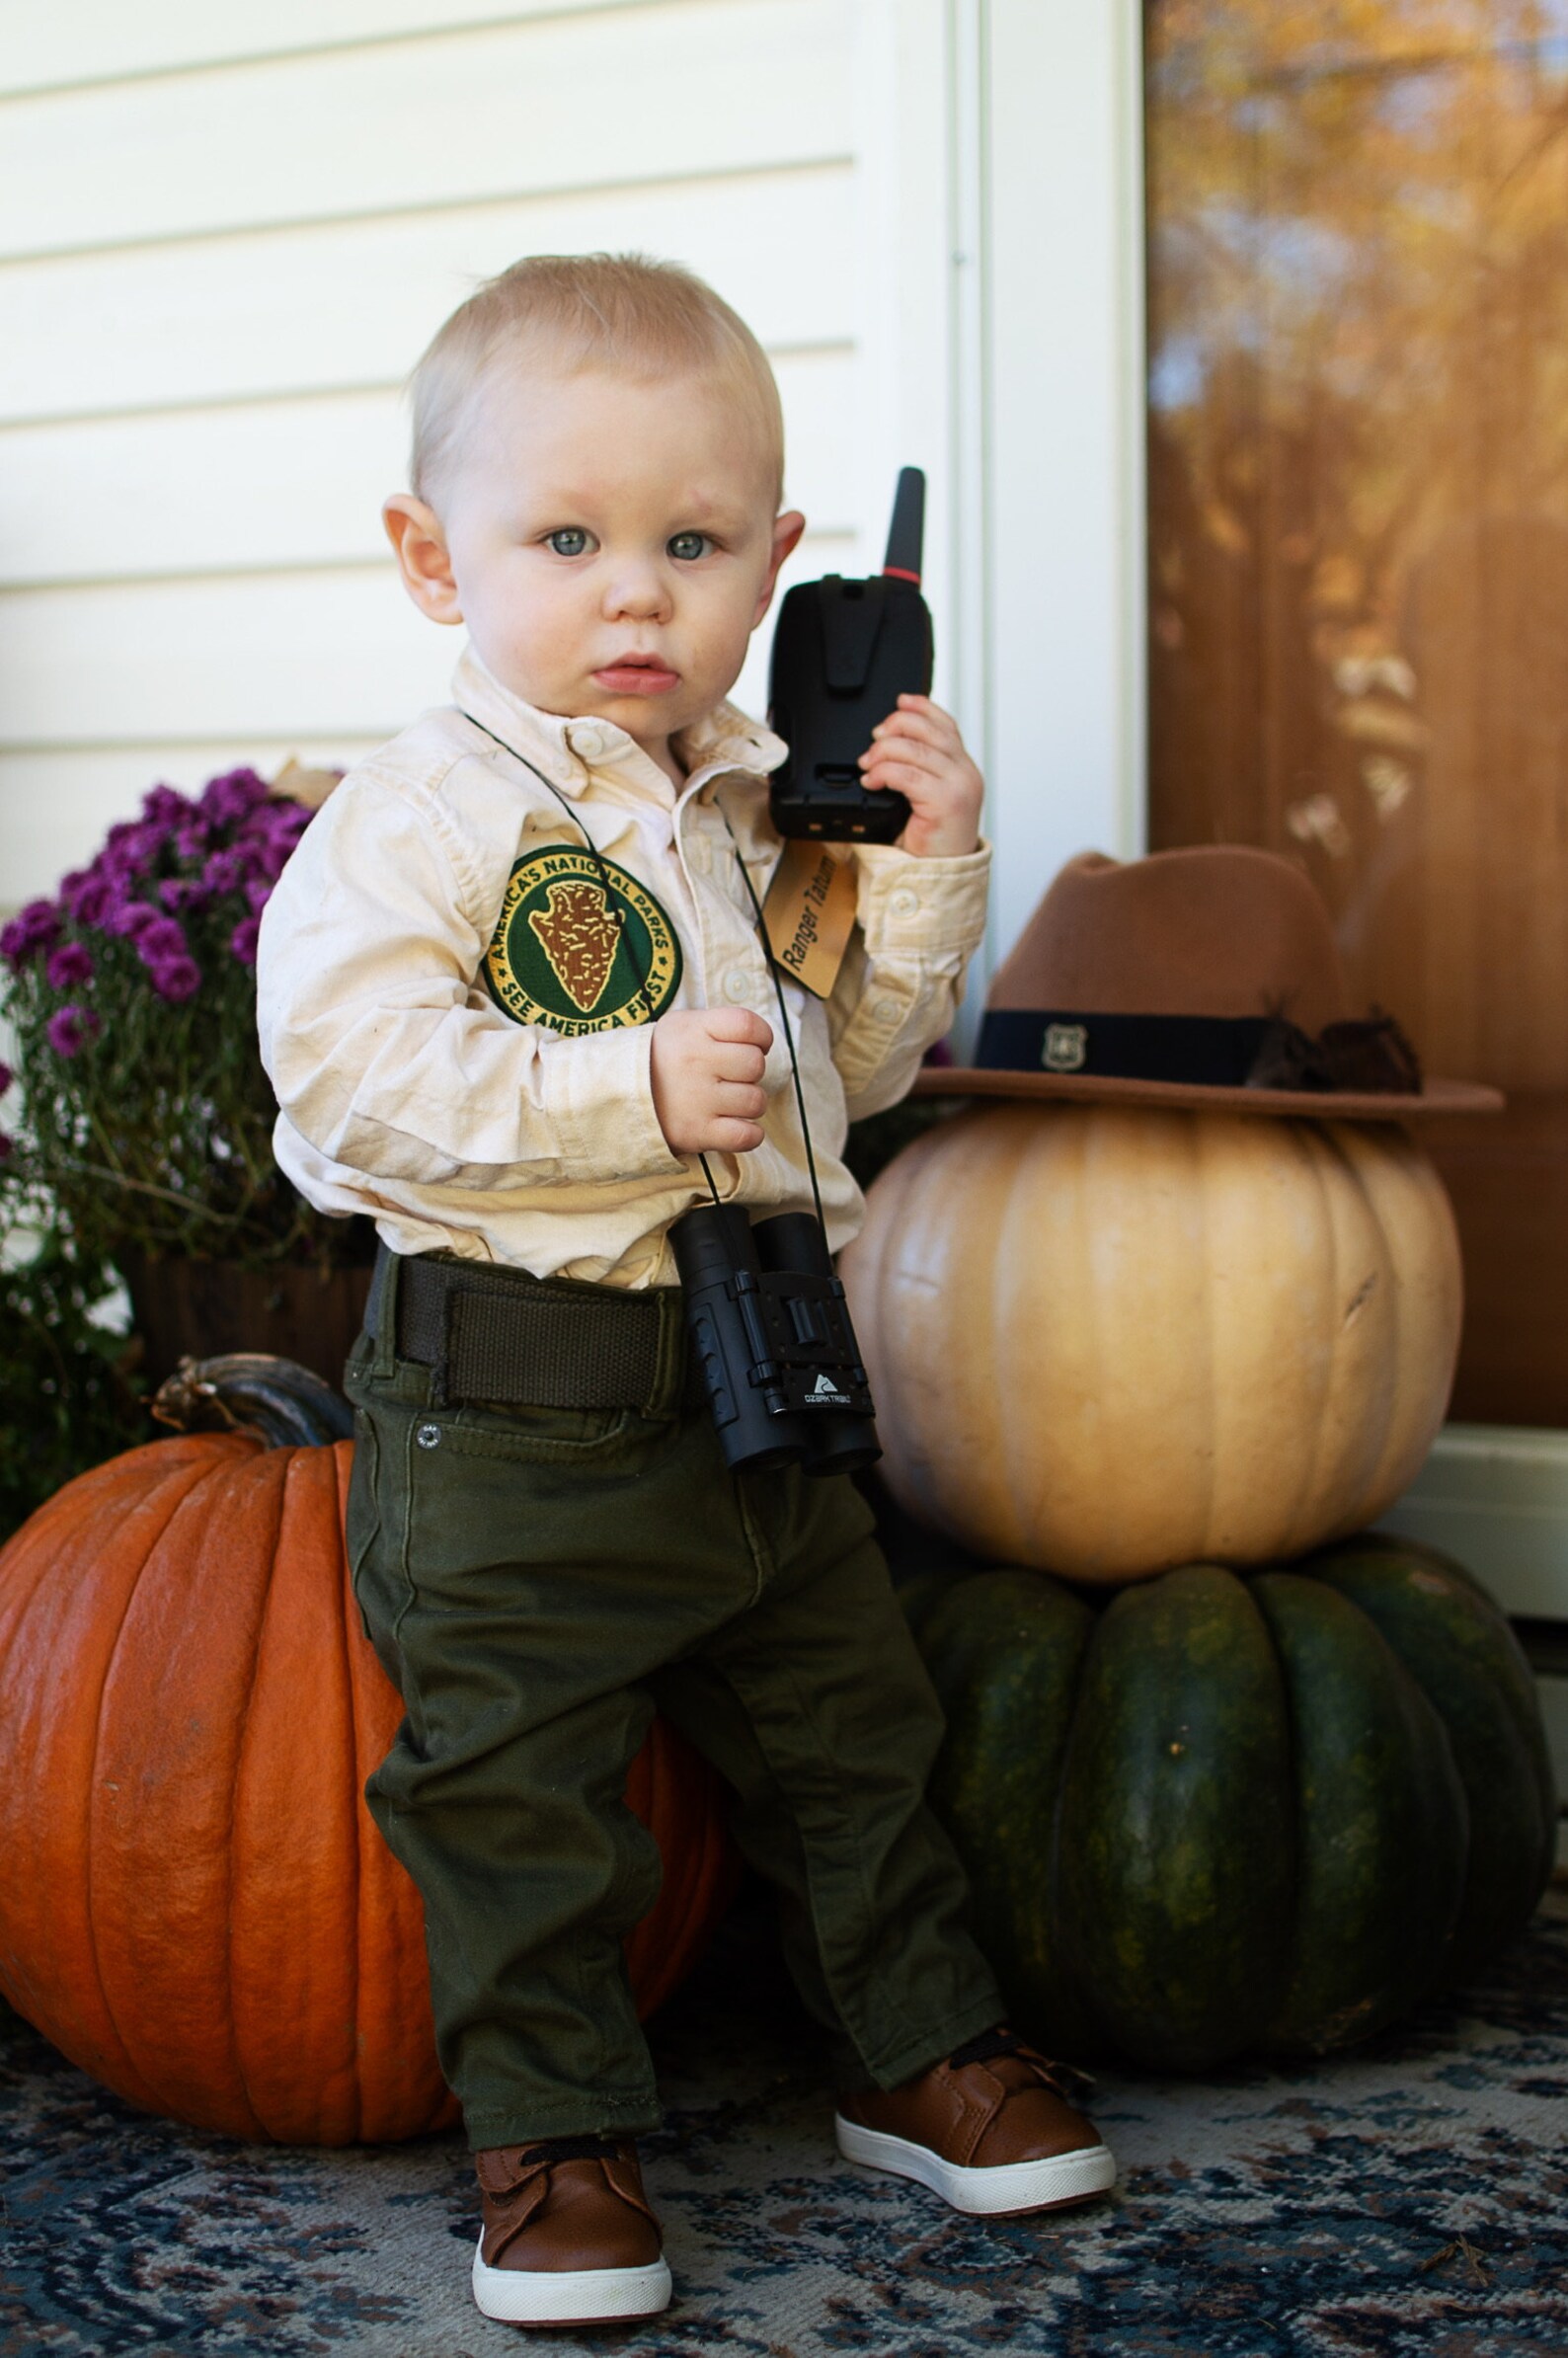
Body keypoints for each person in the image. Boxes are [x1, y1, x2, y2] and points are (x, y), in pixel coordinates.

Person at [256, 252, 1115, 2330]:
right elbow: (348, 1093)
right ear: (429, 558)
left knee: (851, 1734)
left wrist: (919, 864)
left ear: (778, 564)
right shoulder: (423, 817)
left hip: (764, 1382)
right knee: (518, 1778)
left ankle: (914, 2049)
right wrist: (618, 1086)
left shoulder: (753, 798)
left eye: (690, 543)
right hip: (522, 1407)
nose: (633, 593)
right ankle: (550, 2134)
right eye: (565, 539)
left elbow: (864, 1063)